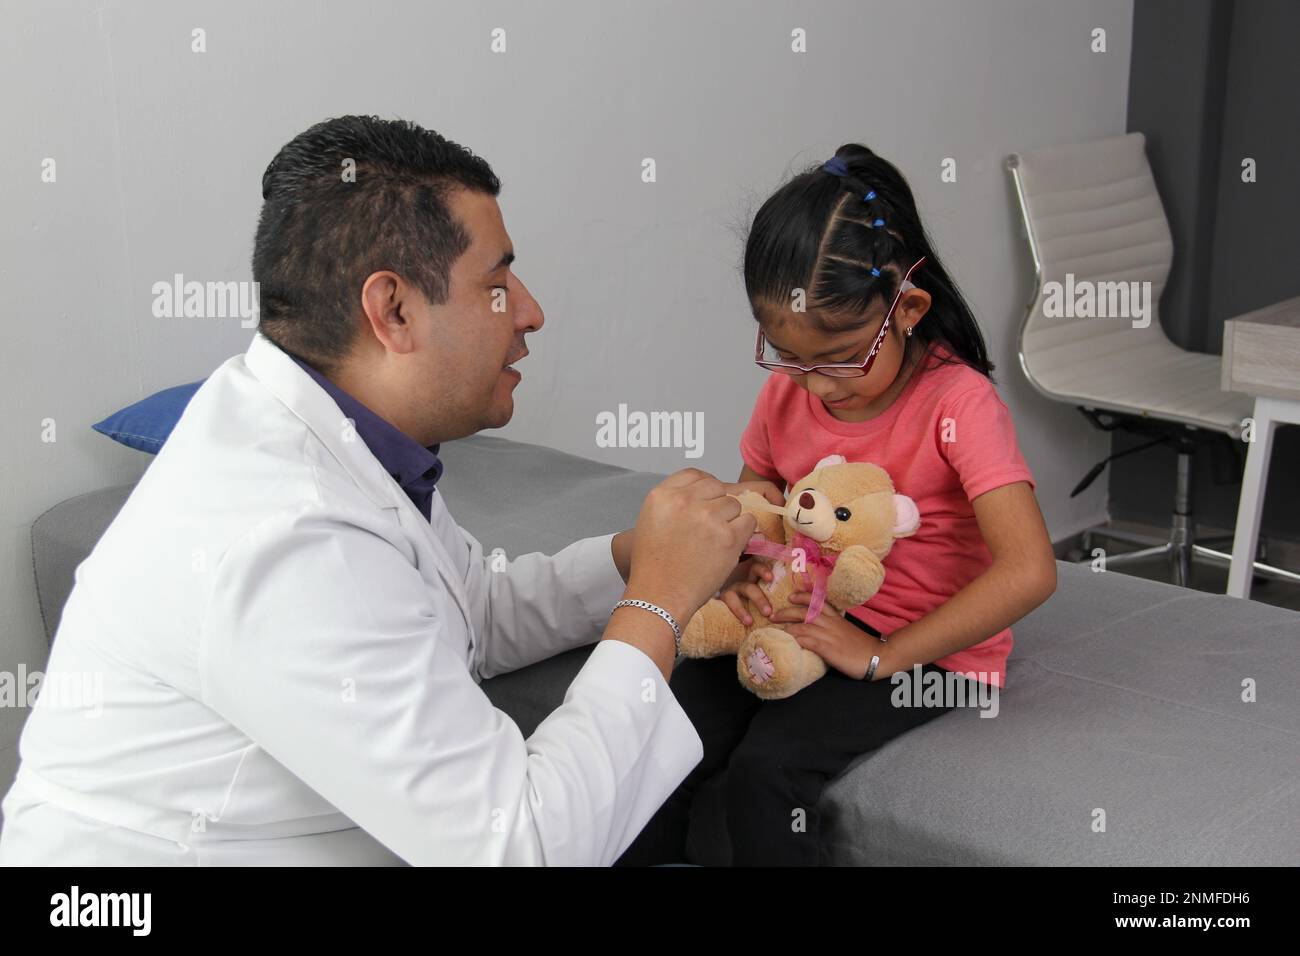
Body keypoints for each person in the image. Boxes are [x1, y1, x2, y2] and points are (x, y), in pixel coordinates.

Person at [0, 115, 780, 866]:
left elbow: (467, 610)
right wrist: (658, 605)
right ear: (394, 310)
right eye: (499, 282)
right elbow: (523, 846)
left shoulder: (334, 431)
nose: (532, 313)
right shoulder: (287, 540)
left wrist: (631, 558)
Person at [615, 144, 1058, 867]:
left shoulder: (959, 404)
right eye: (790, 357)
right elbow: (760, 487)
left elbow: (1030, 570)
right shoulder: (790, 388)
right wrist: (746, 566)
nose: (815, 387)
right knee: (660, 735)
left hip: (924, 648)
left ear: (908, 308)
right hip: (804, 610)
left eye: (841, 358)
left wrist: (882, 657)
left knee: (767, 773)